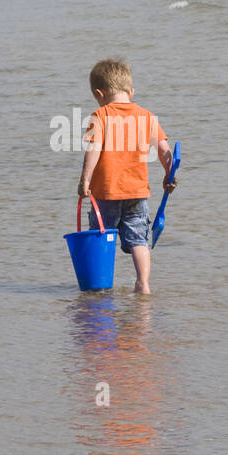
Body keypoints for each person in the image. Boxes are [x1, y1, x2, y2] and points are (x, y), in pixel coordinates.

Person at [77, 58, 176, 294]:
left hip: (106, 193)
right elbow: (165, 151)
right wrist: (168, 175)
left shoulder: (99, 116)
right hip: (138, 192)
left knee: (102, 238)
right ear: (131, 91)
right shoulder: (147, 116)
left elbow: (93, 150)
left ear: (99, 93)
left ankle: (100, 285)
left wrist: (85, 180)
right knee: (139, 240)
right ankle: (143, 283)